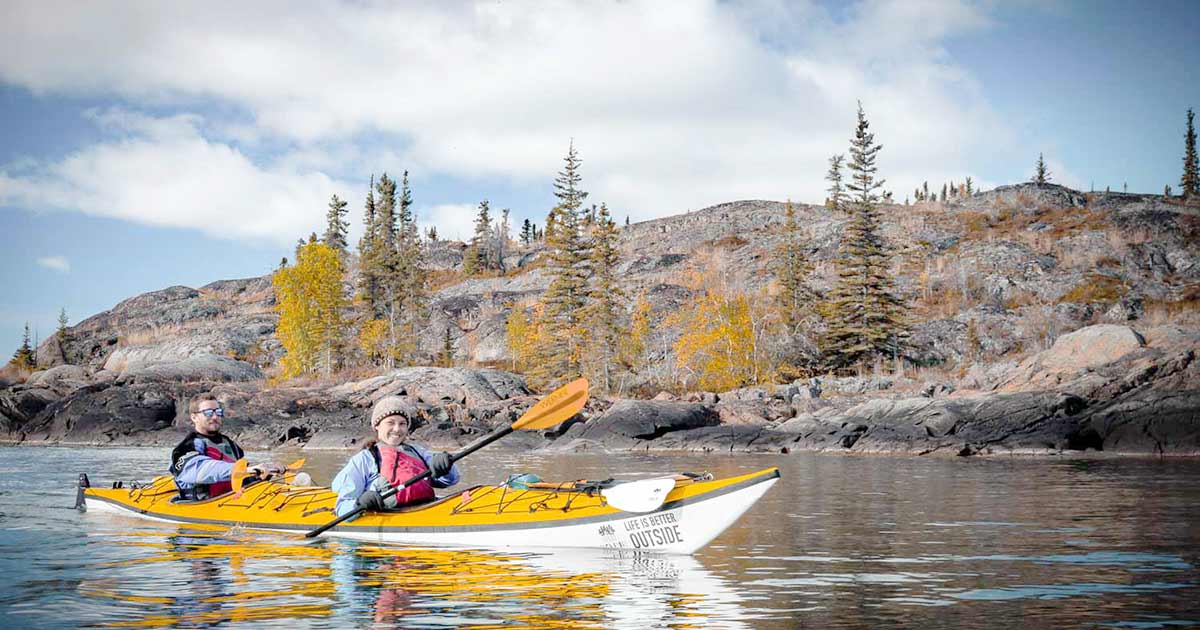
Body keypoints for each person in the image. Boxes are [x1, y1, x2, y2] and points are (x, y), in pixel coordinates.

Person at [332, 396, 460, 517]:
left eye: (402, 423)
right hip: (387, 514)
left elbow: (449, 481)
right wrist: (358, 503)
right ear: (377, 425)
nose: (397, 429)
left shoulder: (417, 452)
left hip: (425, 509)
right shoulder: (365, 459)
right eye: (390, 423)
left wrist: (446, 467)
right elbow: (341, 507)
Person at [169, 393, 278, 500]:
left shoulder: (230, 444)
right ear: (194, 417)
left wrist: (264, 473)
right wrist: (240, 470)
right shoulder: (185, 448)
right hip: (202, 504)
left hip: (230, 500)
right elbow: (202, 469)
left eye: (218, 412)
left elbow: (242, 478)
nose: (215, 417)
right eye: (208, 413)